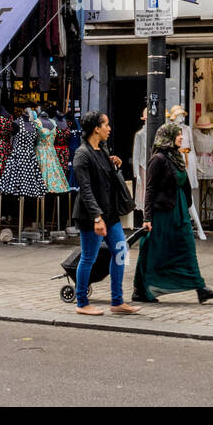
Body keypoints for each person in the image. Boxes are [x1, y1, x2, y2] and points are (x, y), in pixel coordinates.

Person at [133, 123, 213, 304]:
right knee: (152, 249)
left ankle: (200, 288)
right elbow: (149, 190)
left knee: (187, 247)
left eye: (181, 134)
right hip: (163, 214)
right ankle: (140, 289)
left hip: (179, 212)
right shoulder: (158, 160)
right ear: (167, 138)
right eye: (178, 135)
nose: (181, 137)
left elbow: (183, 184)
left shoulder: (176, 157)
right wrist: (147, 218)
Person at [69, 111, 140, 316]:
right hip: (91, 216)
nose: (109, 128)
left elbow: (106, 181)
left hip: (110, 214)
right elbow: (87, 190)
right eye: (106, 125)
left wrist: (114, 165)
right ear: (96, 129)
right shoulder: (82, 154)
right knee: (88, 258)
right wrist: (97, 218)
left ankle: (117, 301)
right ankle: (82, 302)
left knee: (121, 252)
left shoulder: (101, 150)